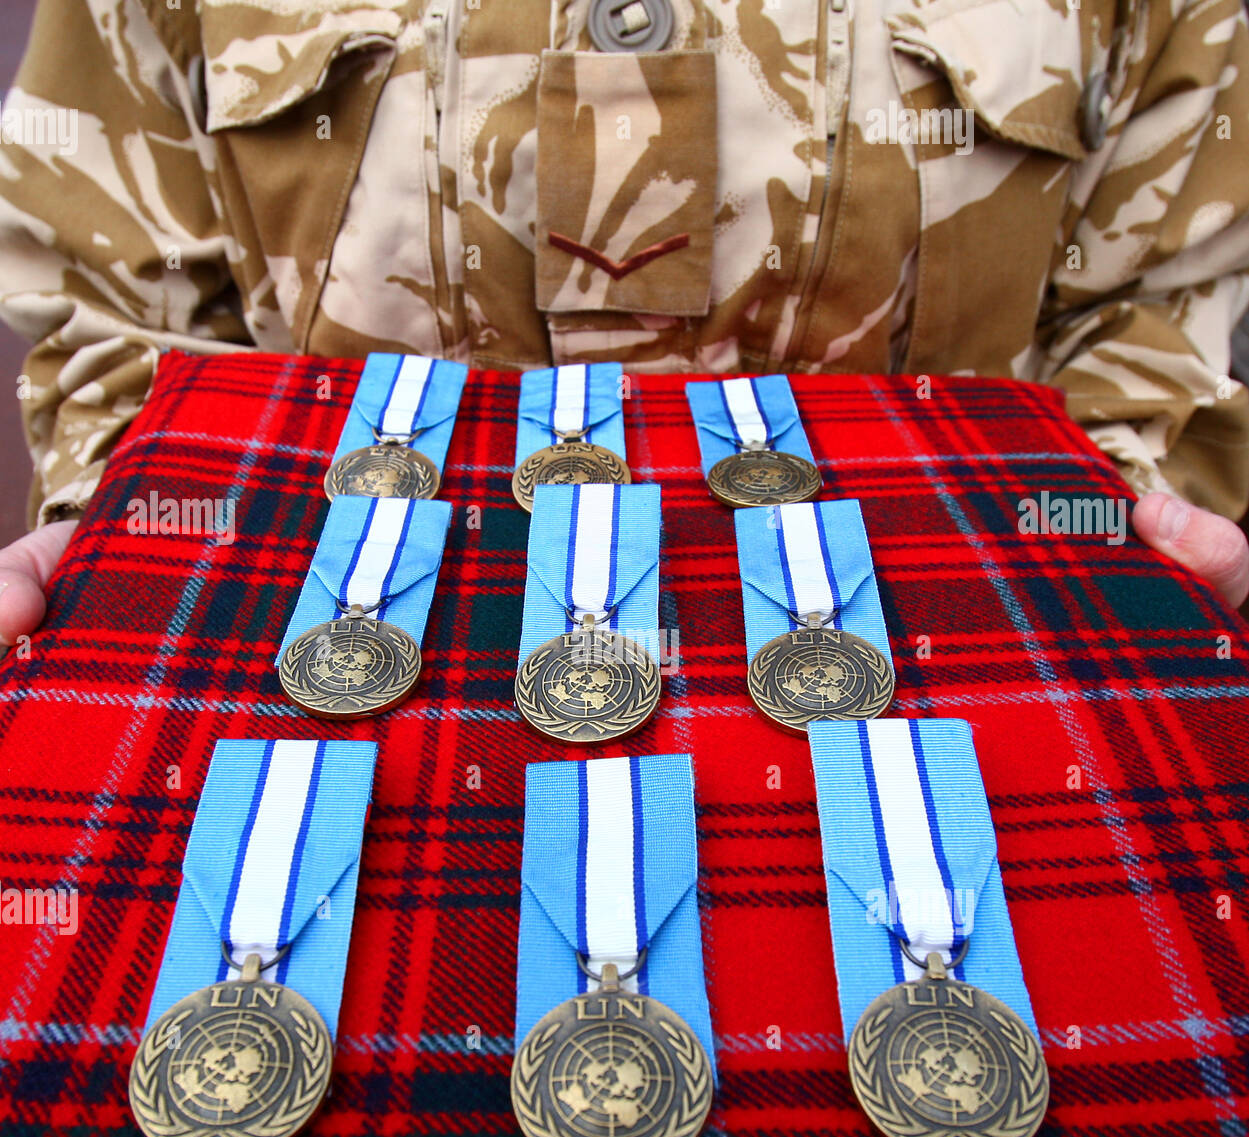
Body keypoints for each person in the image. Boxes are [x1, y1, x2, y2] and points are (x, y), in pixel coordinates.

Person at [1, 0, 1247, 651]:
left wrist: (1124, 574)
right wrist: (139, 556)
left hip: (940, 667)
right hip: (331, 659)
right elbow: (120, 289)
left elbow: (1151, 295)